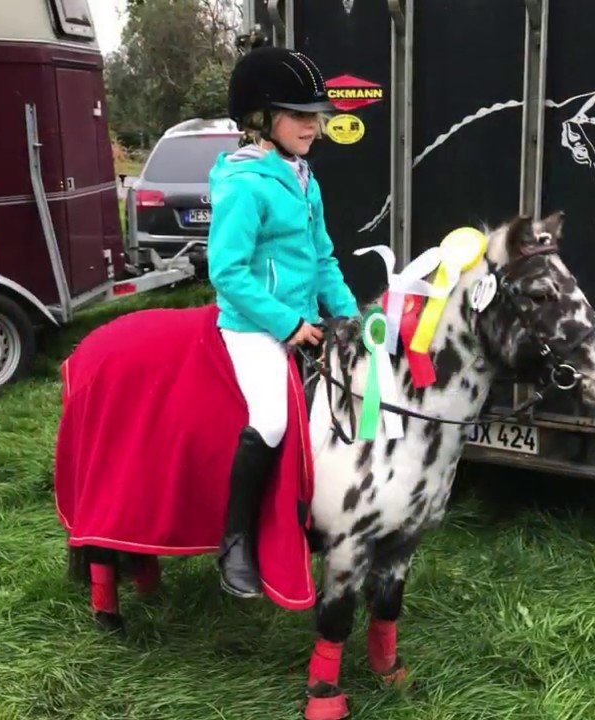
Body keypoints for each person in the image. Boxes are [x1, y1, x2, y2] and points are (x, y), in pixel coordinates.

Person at [206, 45, 361, 598]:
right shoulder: (244, 184)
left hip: (307, 320)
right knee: (272, 421)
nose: (313, 126)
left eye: (315, 115)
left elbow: (323, 258)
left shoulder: (303, 177)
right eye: (299, 115)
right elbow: (227, 271)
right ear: (261, 119)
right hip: (253, 326)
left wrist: (351, 318)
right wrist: (287, 324)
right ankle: (235, 541)